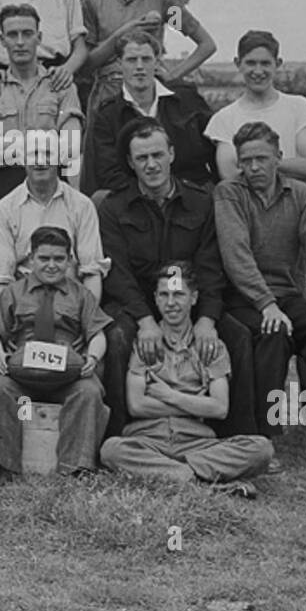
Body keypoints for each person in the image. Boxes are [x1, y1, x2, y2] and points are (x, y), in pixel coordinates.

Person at [98, 118, 259, 441]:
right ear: (131, 162)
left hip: (191, 302)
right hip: (138, 304)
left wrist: (208, 320)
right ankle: (116, 436)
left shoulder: (201, 202)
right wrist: (145, 320)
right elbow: (117, 273)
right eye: (142, 158)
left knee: (238, 335)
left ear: (171, 154)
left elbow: (211, 268)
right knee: (116, 339)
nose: (151, 164)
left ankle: (236, 435)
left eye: (157, 154)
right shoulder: (113, 207)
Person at [213, 122, 306, 474]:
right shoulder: (229, 193)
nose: (254, 168)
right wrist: (266, 305)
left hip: (289, 295)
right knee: (272, 334)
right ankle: (264, 437)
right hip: (243, 299)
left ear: (279, 157)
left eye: (262, 159)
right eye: (246, 161)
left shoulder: (300, 195)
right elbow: (237, 256)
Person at [100, 263, 273, 496]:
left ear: (194, 298)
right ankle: (201, 480)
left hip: (198, 443)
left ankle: (175, 476)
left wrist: (167, 395)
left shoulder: (211, 346)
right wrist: (195, 404)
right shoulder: (145, 343)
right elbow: (136, 405)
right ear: (156, 299)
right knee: (111, 450)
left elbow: (220, 408)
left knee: (261, 448)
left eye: (179, 294)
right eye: (164, 295)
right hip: (149, 440)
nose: (171, 303)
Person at [0, 226, 110, 476]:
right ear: (31, 259)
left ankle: (74, 467)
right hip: (22, 377)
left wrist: (92, 358)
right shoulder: (13, 292)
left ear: (70, 260)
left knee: (89, 392)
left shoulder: (81, 295)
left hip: (67, 377)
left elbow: (98, 333)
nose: (51, 265)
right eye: (44, 258)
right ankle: (5, 466)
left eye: (59, 259)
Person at [80, 0, 217, 125]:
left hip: (148, 98)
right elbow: (86, 66)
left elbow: (206, 45)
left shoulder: (163, 1)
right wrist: (122, 35)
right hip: (107, 97)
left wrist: (172, 76)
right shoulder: (95, 0)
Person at [0, 3, 83, 244]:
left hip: (52, 187)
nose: (20, 41)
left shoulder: (61, 85)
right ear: (1, 40)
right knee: (0, 268)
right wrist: (44, 146)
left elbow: (71, 146)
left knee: (54, 261)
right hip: (3, 185)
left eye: (27, 33)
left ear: (39, 37)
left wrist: (7, 147)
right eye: (12, 35)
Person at [82, 30, 216, 195]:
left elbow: (213, 150)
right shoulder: (107, 114)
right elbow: (109, 174)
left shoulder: (187, 100)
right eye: (131, 60)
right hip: (138, 203)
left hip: (192, 195)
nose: (139, 67)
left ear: (157, 62)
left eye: (146, 59)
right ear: (119, 63)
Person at [205, 30, 306, 183]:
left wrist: (256, 164)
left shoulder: (300, 108)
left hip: (294, 203)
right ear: (238, 64)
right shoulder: (223, 119)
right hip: (246, 205)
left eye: (265, 63)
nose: (258, 71)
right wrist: (283, 165)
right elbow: (230, 176)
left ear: (278, 64)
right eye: (251, 63)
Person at [0, 159, 107, 304]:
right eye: (34, 154)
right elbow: (0, 278)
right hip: (22, 303)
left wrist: (86, 317)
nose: (40, 161)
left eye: (48, 153)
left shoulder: (82, 206)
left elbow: (92, 271)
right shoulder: (4, 209)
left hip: (71, 301)